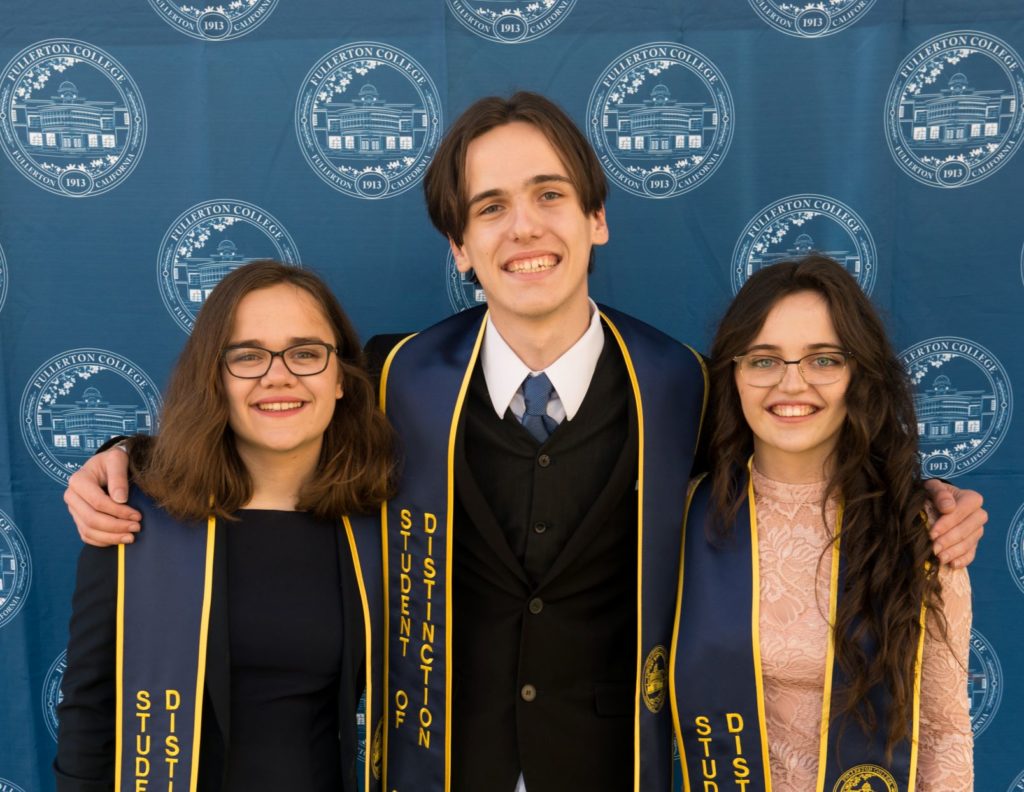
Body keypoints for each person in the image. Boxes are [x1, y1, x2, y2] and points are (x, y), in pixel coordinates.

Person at [63, 94, 985, 792]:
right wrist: (124, 460)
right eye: (490, 206)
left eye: (549, 195)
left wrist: (928, 504)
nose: (524, 228)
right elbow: (258, 418)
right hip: (436, 771)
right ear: (460, 245)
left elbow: (804, 457)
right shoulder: (394, 378)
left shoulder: (683, 385)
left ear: (596, 219)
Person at [55, 261, 393, 791]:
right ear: (215, 378)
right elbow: (88, 711)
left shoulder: (378, 527)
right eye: (248, 356)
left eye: (306, 353)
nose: (278, 376)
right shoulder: (136, 516)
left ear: (342, 380)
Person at [670, 255, 972, 791]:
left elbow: (944, 731)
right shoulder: (683, 519)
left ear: (859, 373)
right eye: (763, 360)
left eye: (823, 360)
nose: (792, 384)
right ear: (733, 375)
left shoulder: (920, 531)